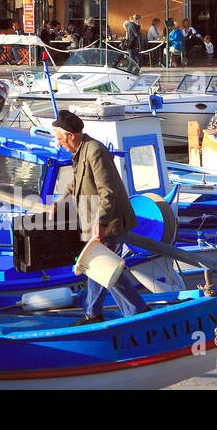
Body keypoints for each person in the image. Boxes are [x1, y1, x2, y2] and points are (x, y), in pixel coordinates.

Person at [47, 109, 147, 323]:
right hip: (96, 221)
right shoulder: (80, 152)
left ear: (70, 135)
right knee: (98, 269)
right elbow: (76, 183)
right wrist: (59, 202)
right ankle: (100, 313)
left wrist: (100, 222)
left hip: (108, 222)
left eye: (59, 139)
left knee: (104, 268)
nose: (59, 144)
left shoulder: (95, 151)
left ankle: (130, 311)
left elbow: (107, 191)